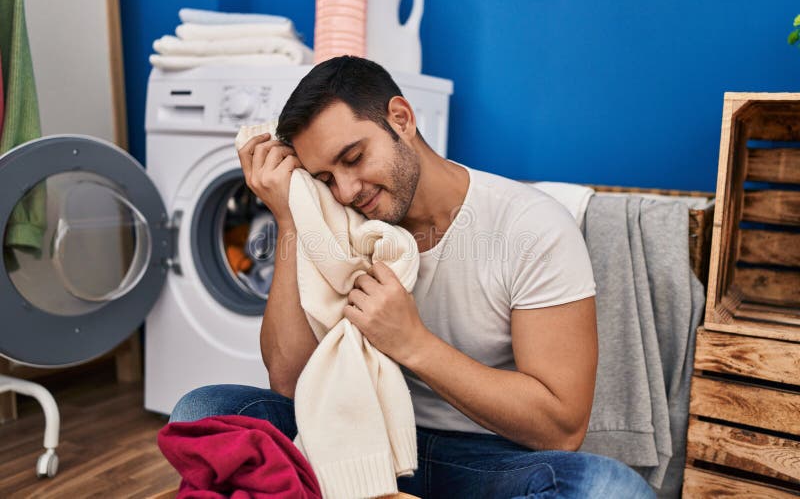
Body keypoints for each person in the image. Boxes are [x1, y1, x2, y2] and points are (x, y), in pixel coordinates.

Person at [170, 56, 654, 498]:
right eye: (323, 179)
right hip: (356, 437)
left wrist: (412, 343)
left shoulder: (529, 226)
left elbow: (560, 428)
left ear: (401, 119)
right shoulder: (333, 226)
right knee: (202, 412)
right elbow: (290, 383)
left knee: (609, 489)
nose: (346, 190)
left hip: (485, 462)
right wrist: (291, 221)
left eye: (354, 157)